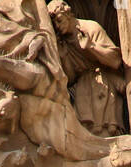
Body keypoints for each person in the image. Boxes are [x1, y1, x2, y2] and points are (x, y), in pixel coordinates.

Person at [47, 0, 125, 135]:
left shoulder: (91, 28)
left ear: (68, 14)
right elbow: (69, 79)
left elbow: (116, 61)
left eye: (59, 20)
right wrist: (63, 56)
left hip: (104, 84)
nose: (58, 26)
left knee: (107, 131)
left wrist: (91, 47)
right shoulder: (64, 43)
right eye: (54, 25)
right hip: (83, 91)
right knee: (89, 132)